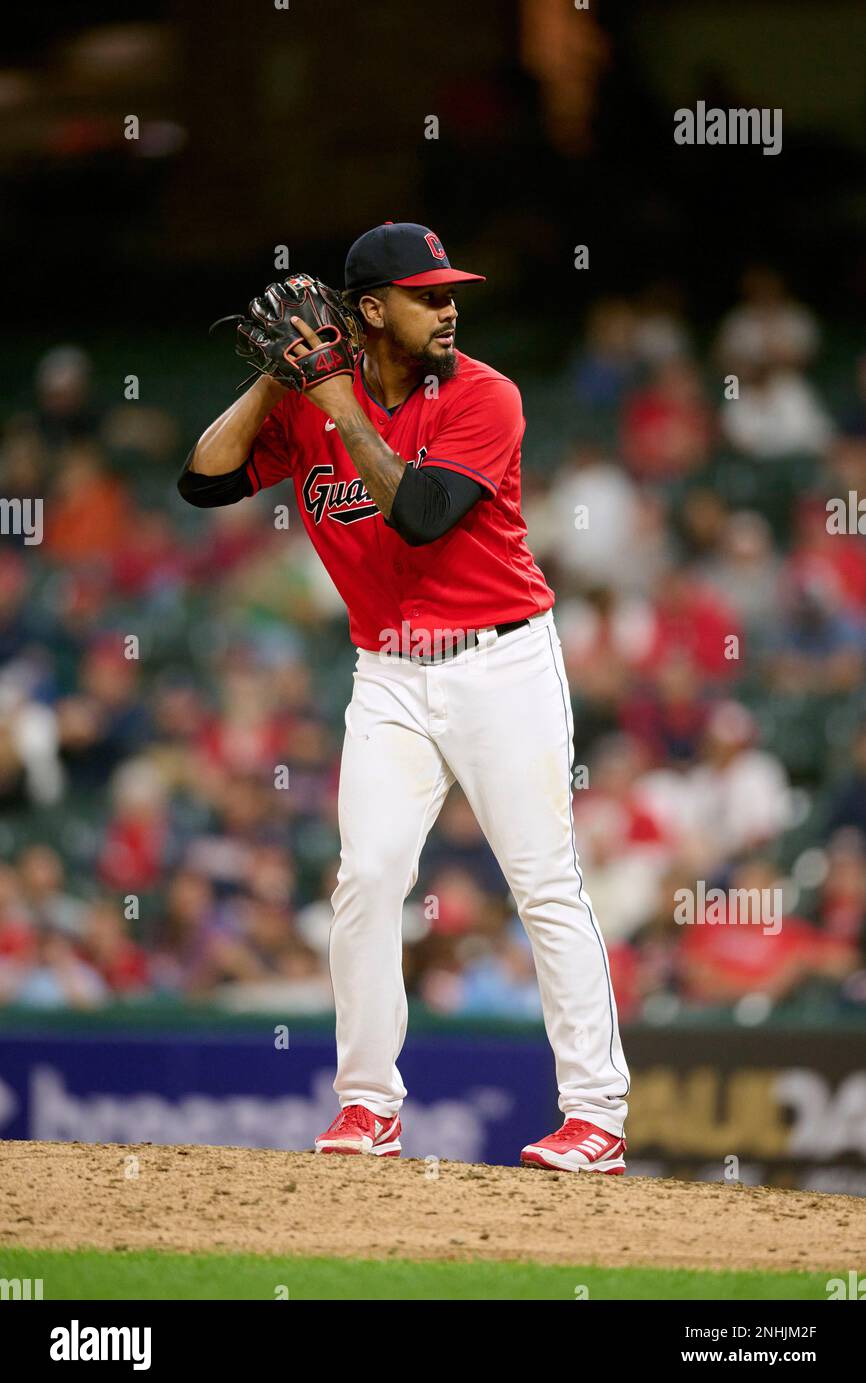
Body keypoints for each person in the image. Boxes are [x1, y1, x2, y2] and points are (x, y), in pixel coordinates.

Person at [179, 223, 630, 1174]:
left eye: (451, 291)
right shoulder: (311, 406)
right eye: (428, 295)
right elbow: (203, 481)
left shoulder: (484, 396)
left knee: (543, 882)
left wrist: (334, 395)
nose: (450, 306)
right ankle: (368, 1106)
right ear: (372, 311)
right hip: (386, 671)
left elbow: (421, 516)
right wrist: (277, 377)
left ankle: (595, 1116)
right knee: (368, 877)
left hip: (498, 660)